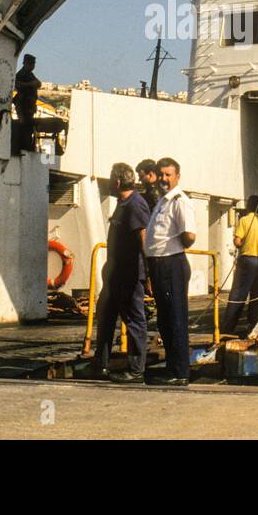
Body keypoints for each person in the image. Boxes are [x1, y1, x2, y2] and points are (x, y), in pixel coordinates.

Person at [91, 162, 151, 383]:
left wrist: (148, 275)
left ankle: (136, 370)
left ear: (117, 181)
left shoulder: (135, 205)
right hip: (115, 274)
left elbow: (144, 240)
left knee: (135, 320)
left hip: (129, 275)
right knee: (105, 317)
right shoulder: (123, 203)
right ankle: (101, 364)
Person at [142, 156, 195, 386]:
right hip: (159, 264)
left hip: (171, 263)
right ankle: (172, 369)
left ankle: (180, 372)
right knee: (165, 320)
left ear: (177, 177)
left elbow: (189, 236)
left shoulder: (179, 201)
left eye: (168, 175)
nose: (163, 179)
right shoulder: (163, 201)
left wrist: (174, 246)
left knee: (175, 318)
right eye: (161, 174)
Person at [222, 195, 258, 337]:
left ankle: (227, 329)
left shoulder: (244, 220)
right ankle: (254, 326)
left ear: (249, 207)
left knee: (238, 295)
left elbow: (237, 241)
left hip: (247, 261)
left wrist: (242, 244)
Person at [12, 54, 41, 152]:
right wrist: (30, 84)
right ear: (27, 64)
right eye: (32, 64)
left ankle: (26, 147)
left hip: (29, 105)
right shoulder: (22, 74)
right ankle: (24, 148)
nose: (33, 66)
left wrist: (31, 84)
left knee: (28, 128)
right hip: (24, 105)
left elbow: (38, 83)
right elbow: (18, 84)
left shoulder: (29, 74)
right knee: (25, 127)